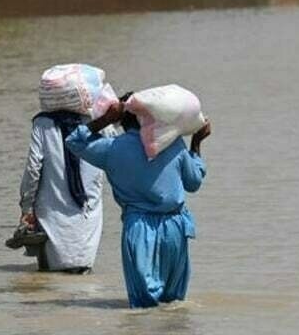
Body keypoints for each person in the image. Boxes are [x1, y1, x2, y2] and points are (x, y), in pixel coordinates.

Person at [66, 97, 211, 308]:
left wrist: (105, 119)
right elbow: (194, 182)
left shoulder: (112, 148)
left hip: (139, 229)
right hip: (175, 228)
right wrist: (196, 144)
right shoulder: (174, 144)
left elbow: (74, 141)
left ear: (122, 121)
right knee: (174, 304)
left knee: (143, 306)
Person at [17, 108, 106, 273]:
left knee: (50, 282)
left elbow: (33, 168)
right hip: (88, 218)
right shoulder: (99, 118)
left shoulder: (43, 123)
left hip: (52, 219)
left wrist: (26, 208)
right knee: (84, 281)